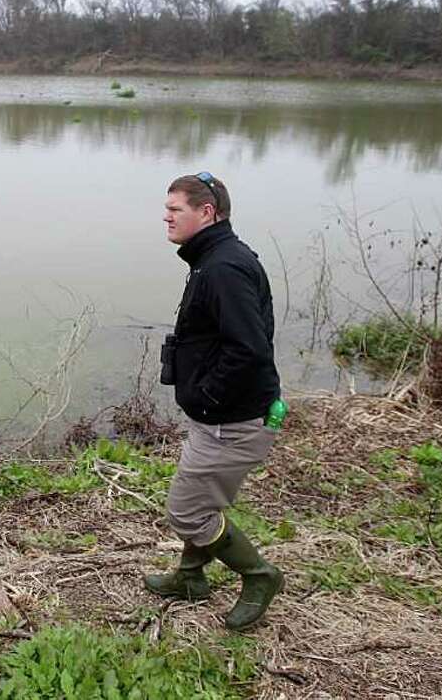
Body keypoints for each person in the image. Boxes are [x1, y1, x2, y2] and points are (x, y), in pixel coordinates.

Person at [144, 171, 284, 631]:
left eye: (175, 209)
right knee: (205, 498)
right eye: (166, 208)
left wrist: (207, 397)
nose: (165, 216)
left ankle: (259, 576)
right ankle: (190, 577)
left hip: (231, 420)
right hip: (225, 417)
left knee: (188, 511)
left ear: (207, 212)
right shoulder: (215, 257)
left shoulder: (222, 267)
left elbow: (250, 348)